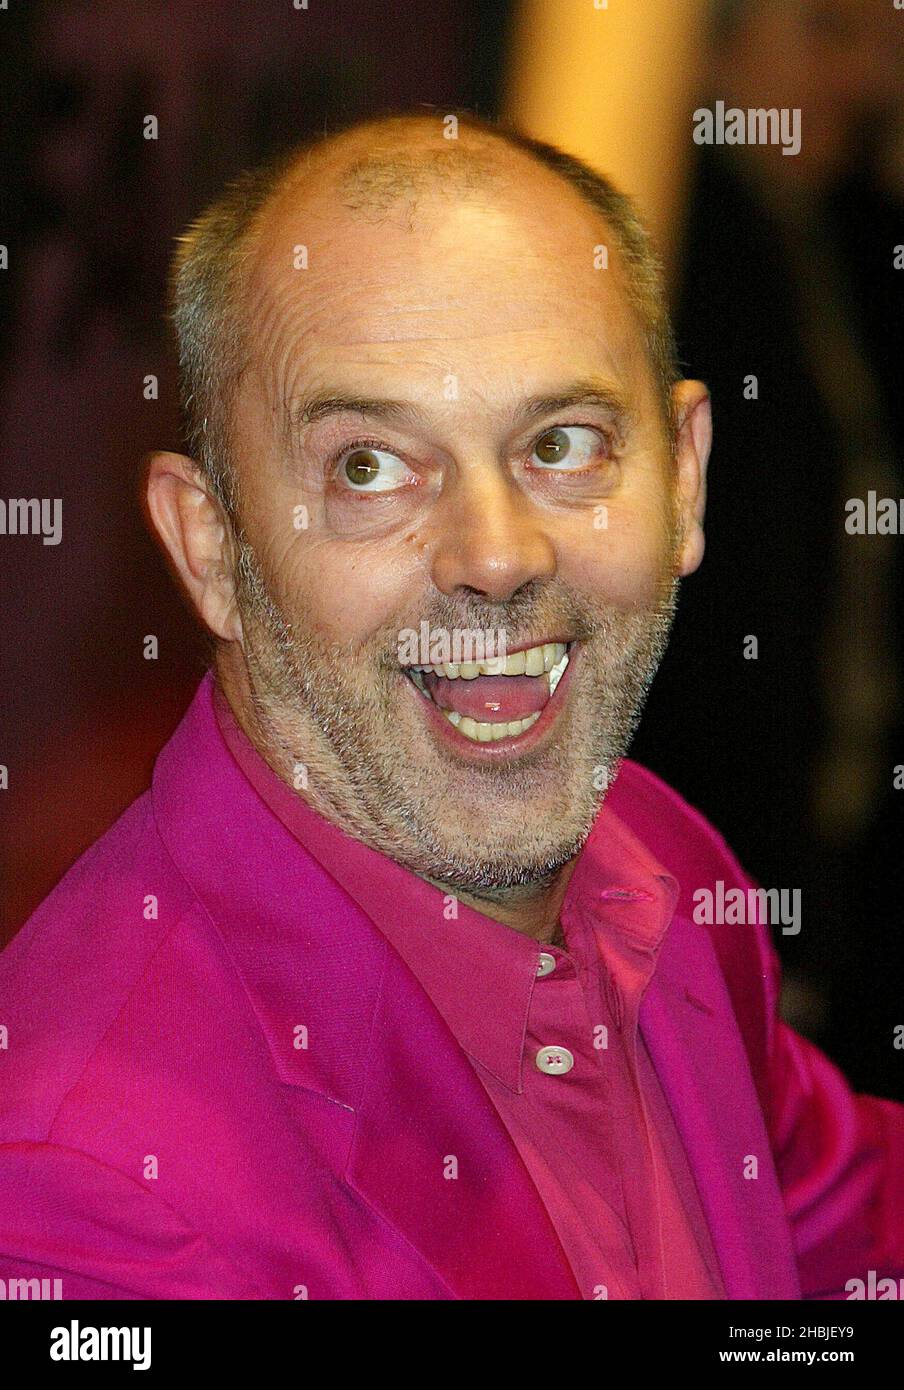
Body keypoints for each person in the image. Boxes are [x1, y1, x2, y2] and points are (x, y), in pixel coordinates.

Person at [1, 110, 901, 1301]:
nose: (496, 552)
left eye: (563, 443)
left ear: (683, 478)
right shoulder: (91, 1195)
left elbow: (837, 1230)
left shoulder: (658, 858)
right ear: (209, 548)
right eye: (367, 466)